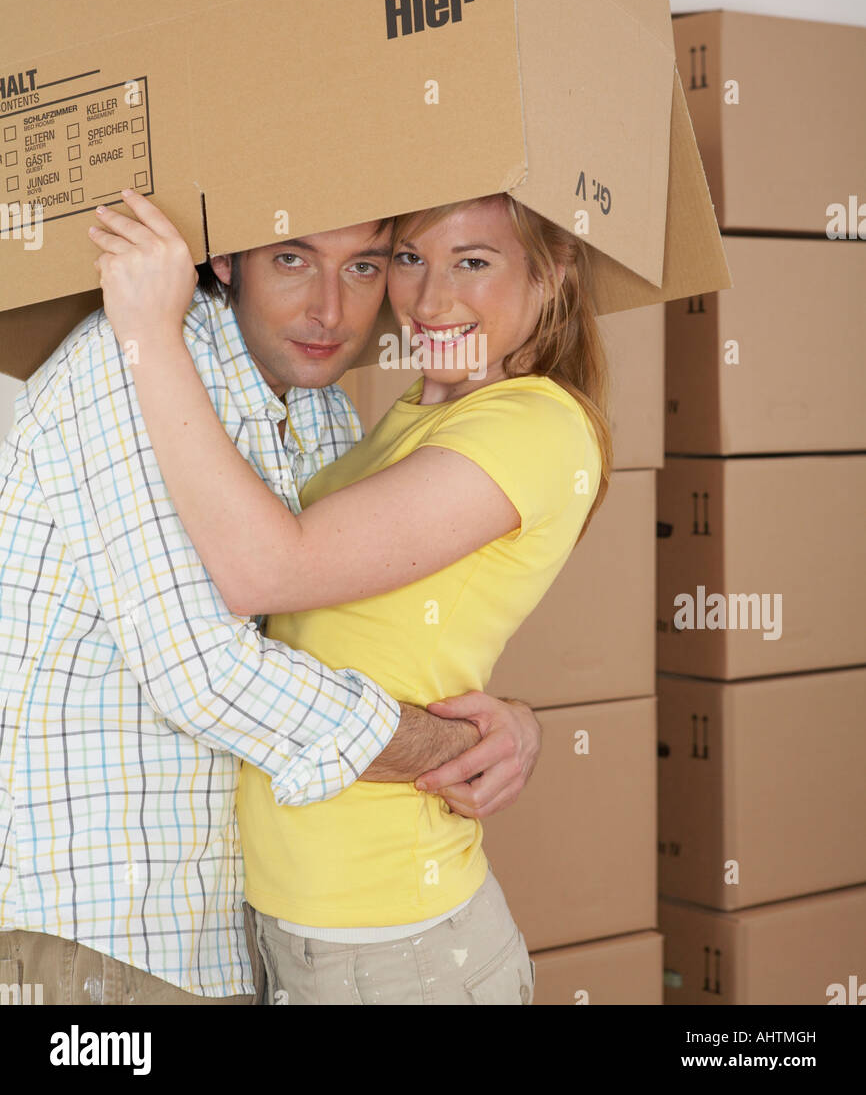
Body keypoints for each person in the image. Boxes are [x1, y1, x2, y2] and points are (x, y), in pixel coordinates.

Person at [0, 208, 542, 1006]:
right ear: (224, 258)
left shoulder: (326, 412)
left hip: (240, 935)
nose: (330, 309)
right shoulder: (125, 367)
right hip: (100, 935)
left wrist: (511, 724)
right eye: (293, 259)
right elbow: (207, 675)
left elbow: (348, 648)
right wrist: (444, 746)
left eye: (362, 267)